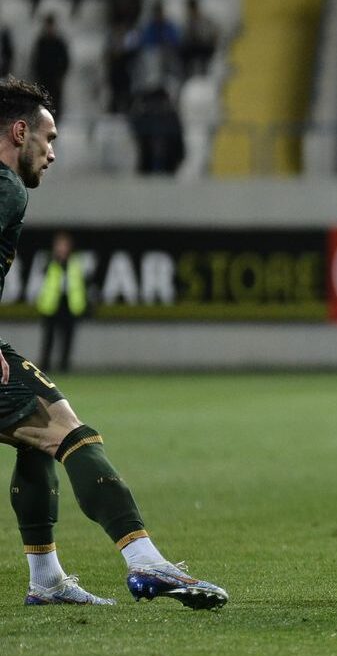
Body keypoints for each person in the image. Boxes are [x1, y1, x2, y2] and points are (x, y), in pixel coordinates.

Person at [0, 77, 227, 607]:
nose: (52, 153)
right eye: (47, 138)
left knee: (36, 441)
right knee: (72, 434)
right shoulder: (5, 186)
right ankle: (146, 562)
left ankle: (47, 579)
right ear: (18, 131)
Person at [37, 232, 88, 374]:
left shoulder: (74, 264)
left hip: (69, 305)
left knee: (67, 338)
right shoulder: (50, 262)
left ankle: (64, 366)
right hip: (52, 304)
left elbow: (80, 285)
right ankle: (45, 365)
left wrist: (81, 305)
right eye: (59, 245)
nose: (61, 248)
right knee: (49, 337)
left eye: (63, 245)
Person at [30, 16, 70, 120]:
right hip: (43, 78)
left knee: (56, 104)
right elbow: (36, 61)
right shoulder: (41, 42)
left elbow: (65, 61)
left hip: (55, 79)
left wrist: (61, 75)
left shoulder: (59, 43)